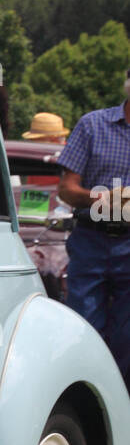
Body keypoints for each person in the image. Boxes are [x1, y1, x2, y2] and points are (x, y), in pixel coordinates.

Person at [57, 71, 130, 391]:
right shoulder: (93, 125)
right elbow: (66, 190)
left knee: (127, 337)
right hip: (92, 237)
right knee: (83, 327)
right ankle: (85, 399)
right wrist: (104, 199)